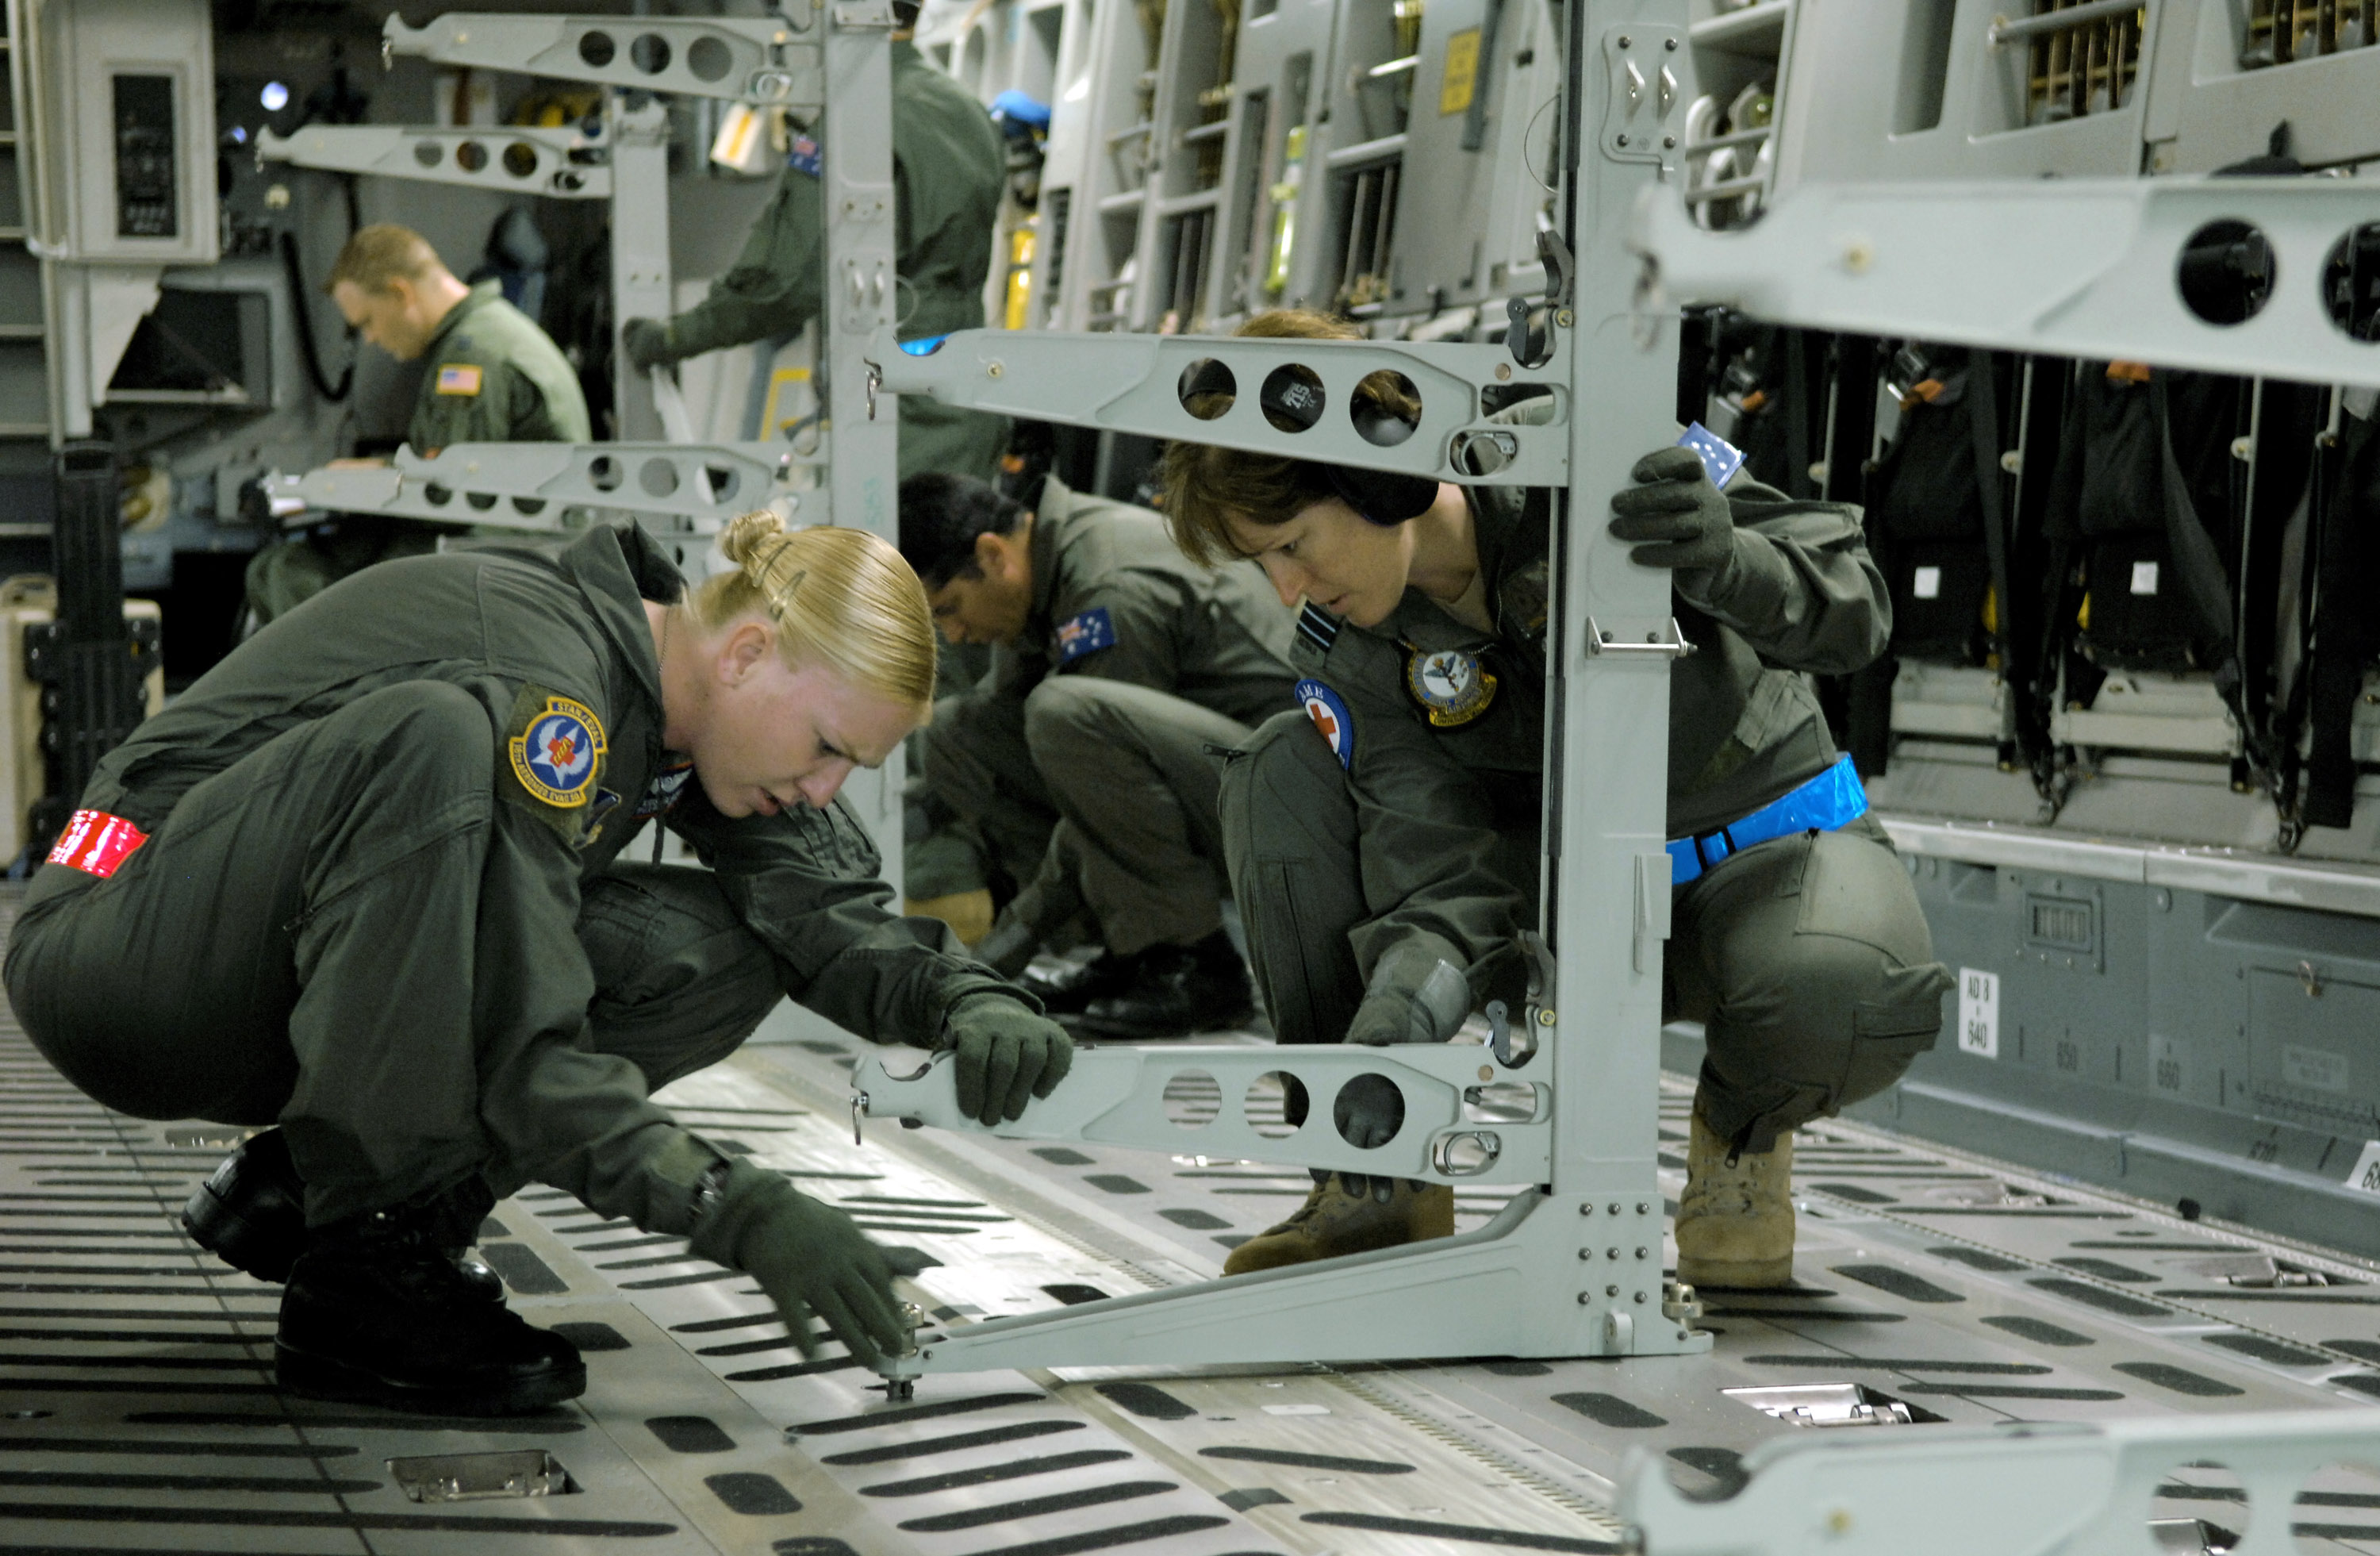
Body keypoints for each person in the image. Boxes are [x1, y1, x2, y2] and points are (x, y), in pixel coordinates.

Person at [5, 512, 1073, 1415]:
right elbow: (526, 1034)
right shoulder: (540, 690)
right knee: (433, 738)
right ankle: (369, 1262)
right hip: (117, 943)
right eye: (831, 747)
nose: (826, 786)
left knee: (724, 951)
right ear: (748, 654)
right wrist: (733, 1206)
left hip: (243, 954)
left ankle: (318, 1193)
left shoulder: (676, 694)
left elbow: (814, 902)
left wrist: (961, 994)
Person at [1162, 309, 1951, 1288]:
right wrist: (1391, 1037)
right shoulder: (1358, 649)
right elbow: (1443, 866)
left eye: (1293, 544)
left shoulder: (1595, 449)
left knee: (1846, 986)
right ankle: (1380, 1171)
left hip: (1754, 863)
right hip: (1552, 909)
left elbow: (1858, 608)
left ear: (1381, 477)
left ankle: (1740, 1132)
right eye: (1262, 563)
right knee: (1283, 773)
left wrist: (1723, 558)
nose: (1289, 589)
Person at [900, 471, 1297, 1037]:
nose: (957, 634)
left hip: (1297, 809)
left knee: (1064, 714)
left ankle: (1193, 963)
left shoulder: (1107, 590)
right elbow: (1002, 737)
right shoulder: (1050, 567)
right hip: (1226, 781)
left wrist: (1000, 952)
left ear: (991, 556)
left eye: (950, 609)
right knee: (957, 734)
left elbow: (1099, 784)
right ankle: (1130, 949)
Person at [620, 0, 1008, 482]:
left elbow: (778, 282)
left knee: (873, 558)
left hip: (893, 420)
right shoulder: (966, 110)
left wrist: (669, 338)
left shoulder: (854, 121)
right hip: (968, 407)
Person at [247, 223, 593, 625]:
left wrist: (348, 482)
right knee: (278, 567)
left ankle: (352, 689)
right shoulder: (483, 331)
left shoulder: (471, 355)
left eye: (367, 322)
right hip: (498, 535)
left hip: (503, 548)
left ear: (400, 293)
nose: (372, 338)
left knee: (294, 575)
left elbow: (447, 492)